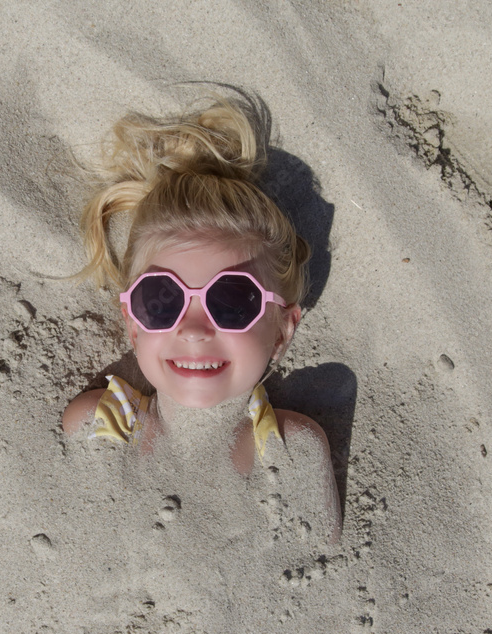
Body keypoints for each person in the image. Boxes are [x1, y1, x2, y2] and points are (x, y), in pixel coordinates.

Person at [62, 96, 341, 542]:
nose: (192, 329)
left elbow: (322, 583)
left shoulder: (295, 448)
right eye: (162, 300)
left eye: (233, 302)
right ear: (133, 323)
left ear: (283, 329)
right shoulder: (96, 423)